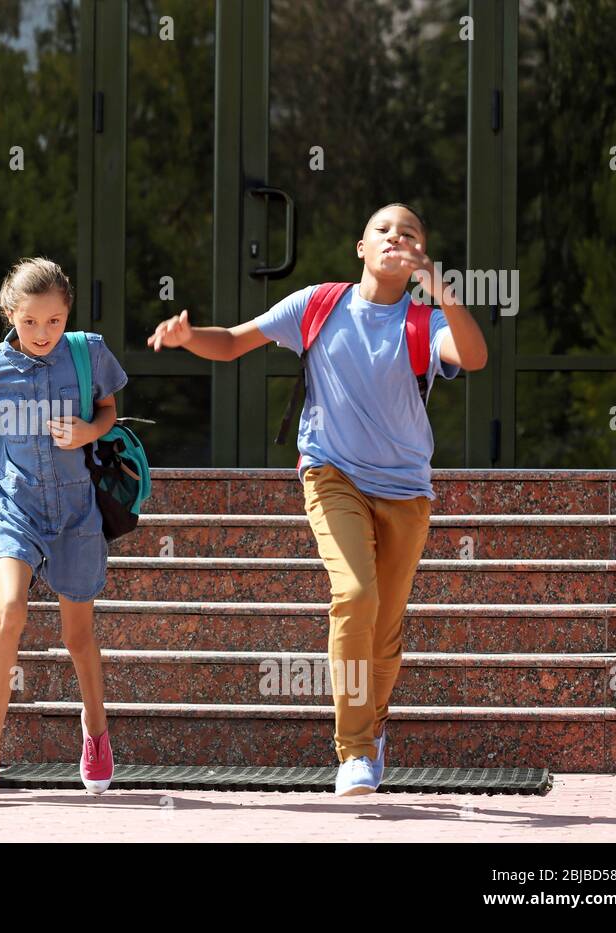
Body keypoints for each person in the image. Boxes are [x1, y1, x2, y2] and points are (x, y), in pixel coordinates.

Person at [148, 203, 488, 795]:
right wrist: (187, 336)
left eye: (409, 233)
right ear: (361, 246)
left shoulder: (425, 322)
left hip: (406, 490)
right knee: (354, 595)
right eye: (384, 230)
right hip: (332, 473)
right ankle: (354, 749)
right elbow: (231, 343)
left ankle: (372, 728)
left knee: (384, 631)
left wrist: (443, 293)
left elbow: (476, 357)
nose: (395, 238)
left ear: (418, 260)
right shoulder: (318, 304)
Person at [0, 257, 128, 794]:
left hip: (75, 514)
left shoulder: (88, 353)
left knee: (77, 635)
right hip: (15, 505)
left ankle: (95, 732)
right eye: (30, 322)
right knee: (9, 608)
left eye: (54, 321)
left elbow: (110, 410)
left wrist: (88, 430)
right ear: (10, 314)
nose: (43, 333)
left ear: (68, 316)